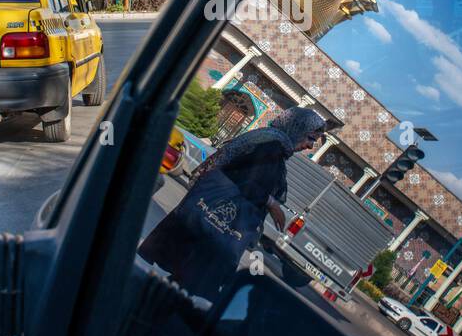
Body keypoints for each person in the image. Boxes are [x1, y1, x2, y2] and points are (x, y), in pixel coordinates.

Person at [137, 106, 327, 302]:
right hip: (217, 231)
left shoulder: (269, 139)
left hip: (212, 226)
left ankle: (144, 306)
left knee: (181, 286)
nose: (309, 146)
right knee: (188, 286)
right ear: (297, 128)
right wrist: (272, 204)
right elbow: (249, 182)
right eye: (310, 138)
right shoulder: (271, 146)